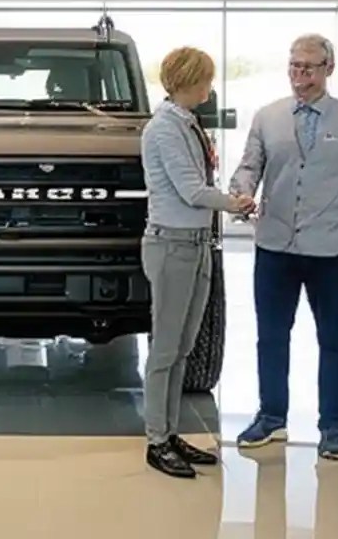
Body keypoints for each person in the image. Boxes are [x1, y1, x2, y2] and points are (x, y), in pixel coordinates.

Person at [229, 33, 338, 461]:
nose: (300, 76)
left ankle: (335, 426)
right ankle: (271, 416)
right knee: (271, 336)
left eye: (310, 68)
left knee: (333, 339)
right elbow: (249, 168)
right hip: (275, 246)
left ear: (328, 69)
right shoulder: (268, 117)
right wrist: (240, 193)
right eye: (294, 67)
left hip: (334, 250)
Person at [140, 47, 253, 478]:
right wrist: (235, 203)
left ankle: (170, 434)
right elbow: (191, 189)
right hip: (171, 246)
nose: (210, 86)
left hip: (197, 243)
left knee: (183, 349)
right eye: (205, 79)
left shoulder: (187, 123)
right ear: (188, 80)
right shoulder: (164, 129)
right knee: (165, 350)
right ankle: (156, 440)